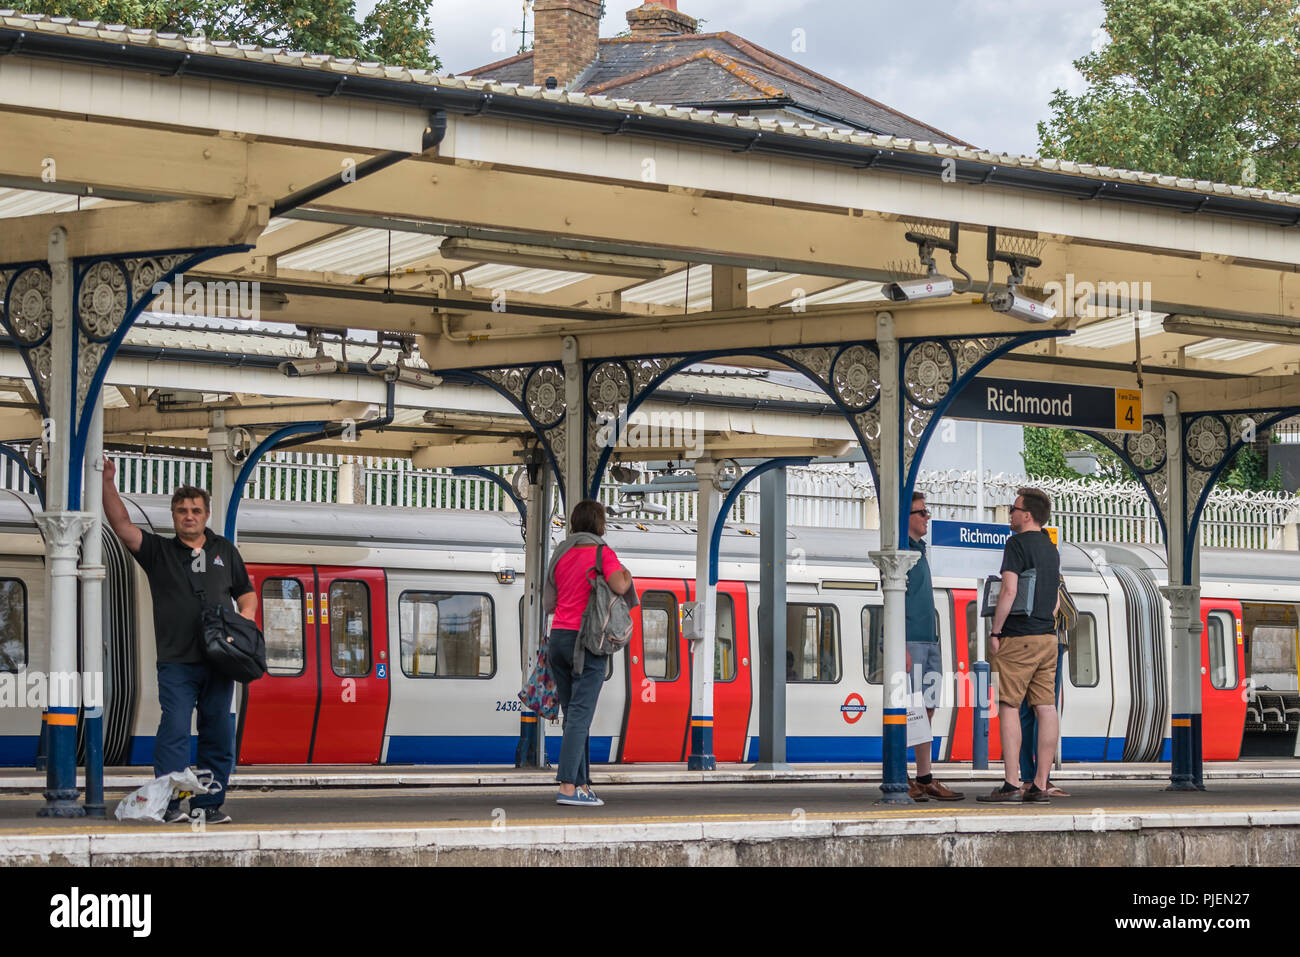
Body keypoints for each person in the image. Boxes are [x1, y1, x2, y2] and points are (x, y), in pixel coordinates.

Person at [102, 458, 256, 824]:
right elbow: (122, 527)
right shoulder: (159, 553)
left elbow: (246, 594)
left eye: (196, 510)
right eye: (182, 510)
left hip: (221, 660)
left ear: (206, 515)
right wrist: (108, 480)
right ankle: (170, 804)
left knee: (218, 729)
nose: (189, 516)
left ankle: (209, 805)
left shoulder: (225, 551)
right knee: (173, 729)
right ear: (174, 516)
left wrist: (242, 623)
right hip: (176, 662)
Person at [542, 500, 636, 807]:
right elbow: (619, 586)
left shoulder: (561, 552)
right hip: (588, 642)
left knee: (573, 716)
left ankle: (581, 785)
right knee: (580, 717)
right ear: (599, 524)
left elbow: (549, 603)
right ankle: (567, 787)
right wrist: (626, 573)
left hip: (558, 639)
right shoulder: (601, 552)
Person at [978, 487, 1061, 804]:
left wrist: (996, 632)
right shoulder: (1051, 549)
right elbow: (1054, 600)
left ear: (1027, 514)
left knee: (1009, 705)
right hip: (1047, 638)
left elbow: (1009, 591)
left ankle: (1012, 783)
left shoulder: (1016, 544)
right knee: (1046, 707)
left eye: (1013, 509)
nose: (1009, 514)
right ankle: (1040, 784)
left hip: (1018, 637)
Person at [904, 493, 963, 801]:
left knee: (926, 707)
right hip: (910, 641)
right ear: (907, 516)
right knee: (906, 709)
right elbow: (893, 598)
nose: (928, 517)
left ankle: (924, 776)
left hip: (929, 641)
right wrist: (899, 642)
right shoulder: (901, 551)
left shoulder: (922, 551)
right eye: (922, 512)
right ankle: (899, 775)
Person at [1017, 581, 1077, 797]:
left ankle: (1026, 776)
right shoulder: (1053, 574)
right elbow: (1071, 615)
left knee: (1024, 712)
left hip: (1021, 643)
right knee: (1044, 709)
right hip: (1050, 643)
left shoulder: (1018, 572)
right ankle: (1041, 779)